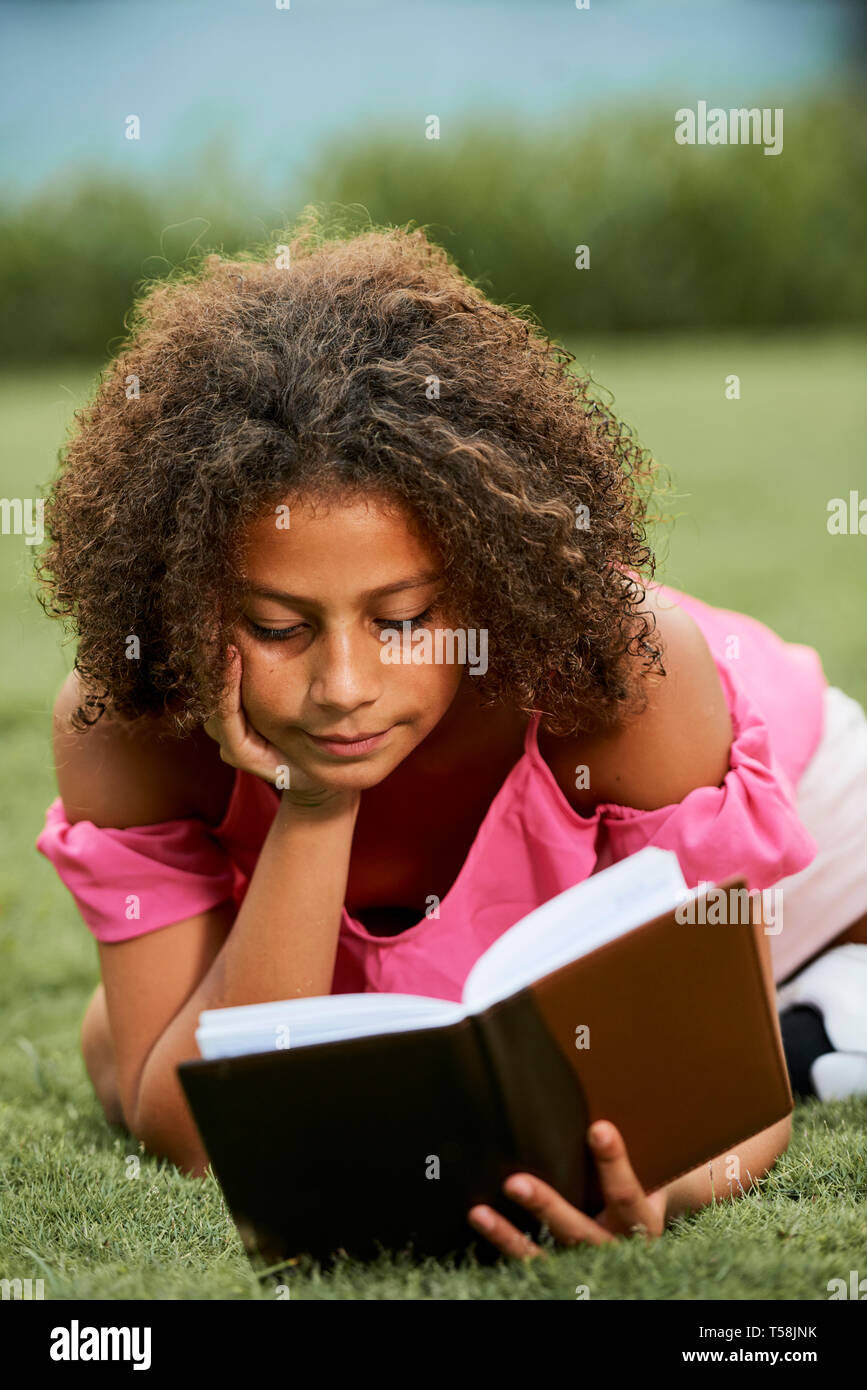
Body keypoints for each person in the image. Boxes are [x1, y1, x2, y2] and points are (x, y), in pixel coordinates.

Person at [34, 215, 867, 1262]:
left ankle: (823, 1011)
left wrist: (666, 1181)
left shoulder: (624, 673)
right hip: (408, 923)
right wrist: (317, 804)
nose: (345, 688)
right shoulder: (130, 723)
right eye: (279, 626)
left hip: (795, 832)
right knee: (125, 1062)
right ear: (186, 597)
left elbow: (734, 1105)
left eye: (404, 618)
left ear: (483, 575)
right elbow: (193, 1132)